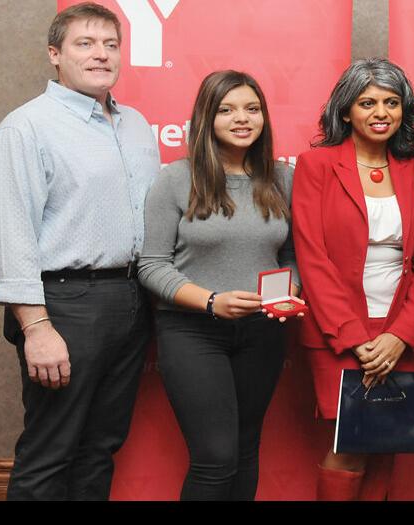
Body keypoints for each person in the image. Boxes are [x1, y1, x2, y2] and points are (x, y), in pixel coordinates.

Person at [0, 2, 160, 500]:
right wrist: (35, 327)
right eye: (85, 43)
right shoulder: (27, 128)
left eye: (110, 44)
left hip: (130, 300)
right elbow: (10, 236)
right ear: (55, 54)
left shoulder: (136, 125)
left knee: (100, 447)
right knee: (50, 450)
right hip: (63, 305)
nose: (101, 55)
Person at [138, 70, 301, 500]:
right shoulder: (176, 179)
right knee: (215, 457)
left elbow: (291, 257)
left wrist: (289, 291)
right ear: (206, 118)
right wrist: (211, 302)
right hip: (192, 331)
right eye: (227, 110)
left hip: (262, 332)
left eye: (252, 108)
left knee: (247, 450)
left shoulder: (281, 180)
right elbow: (152, 265)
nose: (241, 119)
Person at [292, 58, 414, 501]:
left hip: (400, 331)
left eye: (392, 102)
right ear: (346, 110)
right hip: (340, 332)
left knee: (387, 445)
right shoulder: (316, 165)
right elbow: (312, 260)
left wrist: (402, 335)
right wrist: (356, 337)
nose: (381, 112)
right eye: (367, 102)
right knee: (350, 445)